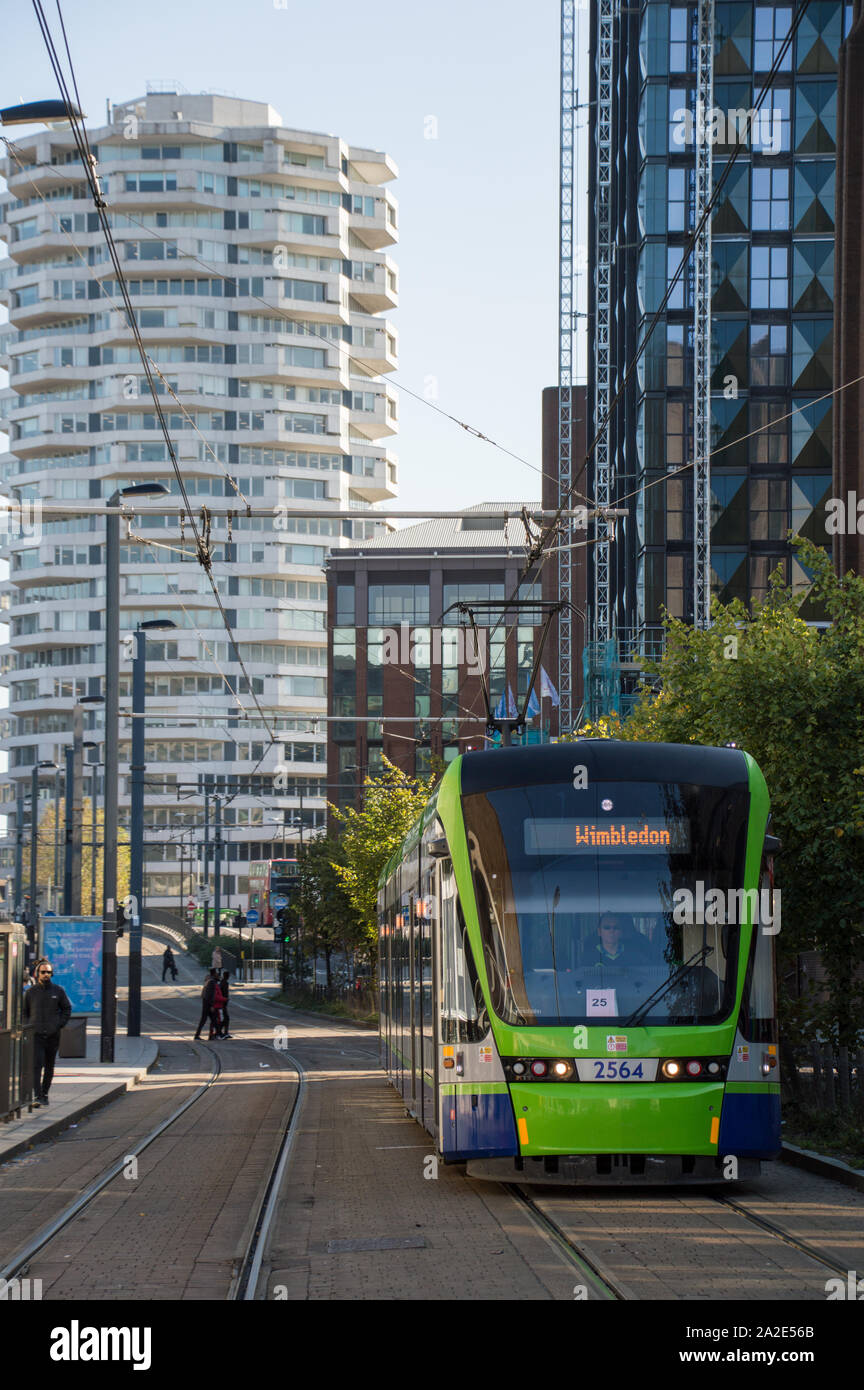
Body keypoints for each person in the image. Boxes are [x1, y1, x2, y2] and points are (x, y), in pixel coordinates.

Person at [23, 959, 71, 1107]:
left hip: (52, 1035)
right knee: (37, 1065)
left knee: (49, 1065)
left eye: (48, 972)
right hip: (36, 1035)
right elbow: (25, 1012)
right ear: (37, 974)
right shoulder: (31, 992)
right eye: (43, 972)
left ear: (52, 974)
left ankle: (45, 1094)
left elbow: (66, 1009)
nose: (46, 974)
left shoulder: (58, 991)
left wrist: (59, 1024)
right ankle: (37, 1095)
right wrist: (28, 1027)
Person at [586, 913, 654, 968]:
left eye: (616, 927)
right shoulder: (588, 956)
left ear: (621, 932)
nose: (611, 931)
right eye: (607, 927)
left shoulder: (634, 955)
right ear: (599, 931)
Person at [193, 969, 217, 1041]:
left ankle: (211, 1034)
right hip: (208, 1004)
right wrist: (212, 1005)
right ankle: (210, 1035)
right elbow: (211, 994)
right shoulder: (212, 982)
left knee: (210, 1019)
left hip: (205, 1002)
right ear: (214, 973)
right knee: (210, 1019)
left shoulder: (208, 980)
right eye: (216, 973)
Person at [210, 973, 226, 1040]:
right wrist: (224, 999)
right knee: (219, 1021)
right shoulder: (215, 986)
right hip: (217, 1006)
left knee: (216, 1021)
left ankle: (216, 1034)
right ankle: (217, 1034)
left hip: (217, 1006)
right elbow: (216, 996)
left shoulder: (216, 985)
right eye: (219, 977)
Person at [218, 970, 232, 1038]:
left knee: (226, 1018)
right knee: (226, 1018)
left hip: (224, 1003)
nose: (229, 976)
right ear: (226, 976)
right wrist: (224, 999)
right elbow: (222, 993)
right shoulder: (224, 983)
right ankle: (220, 1031)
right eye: (228, 975)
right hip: (223, 1003)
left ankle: (224, 1032)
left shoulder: (223, 982)